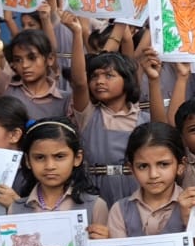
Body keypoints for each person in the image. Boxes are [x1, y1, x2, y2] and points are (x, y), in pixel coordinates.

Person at [63, 13, 153, 209]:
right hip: (94, 192)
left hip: (136, 189)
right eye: (94, 76)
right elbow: (79, 83)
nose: (100, 81)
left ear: (127, 81)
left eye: (109, 75)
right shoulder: (88, 114)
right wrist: (77, 33)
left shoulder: (144, 118)